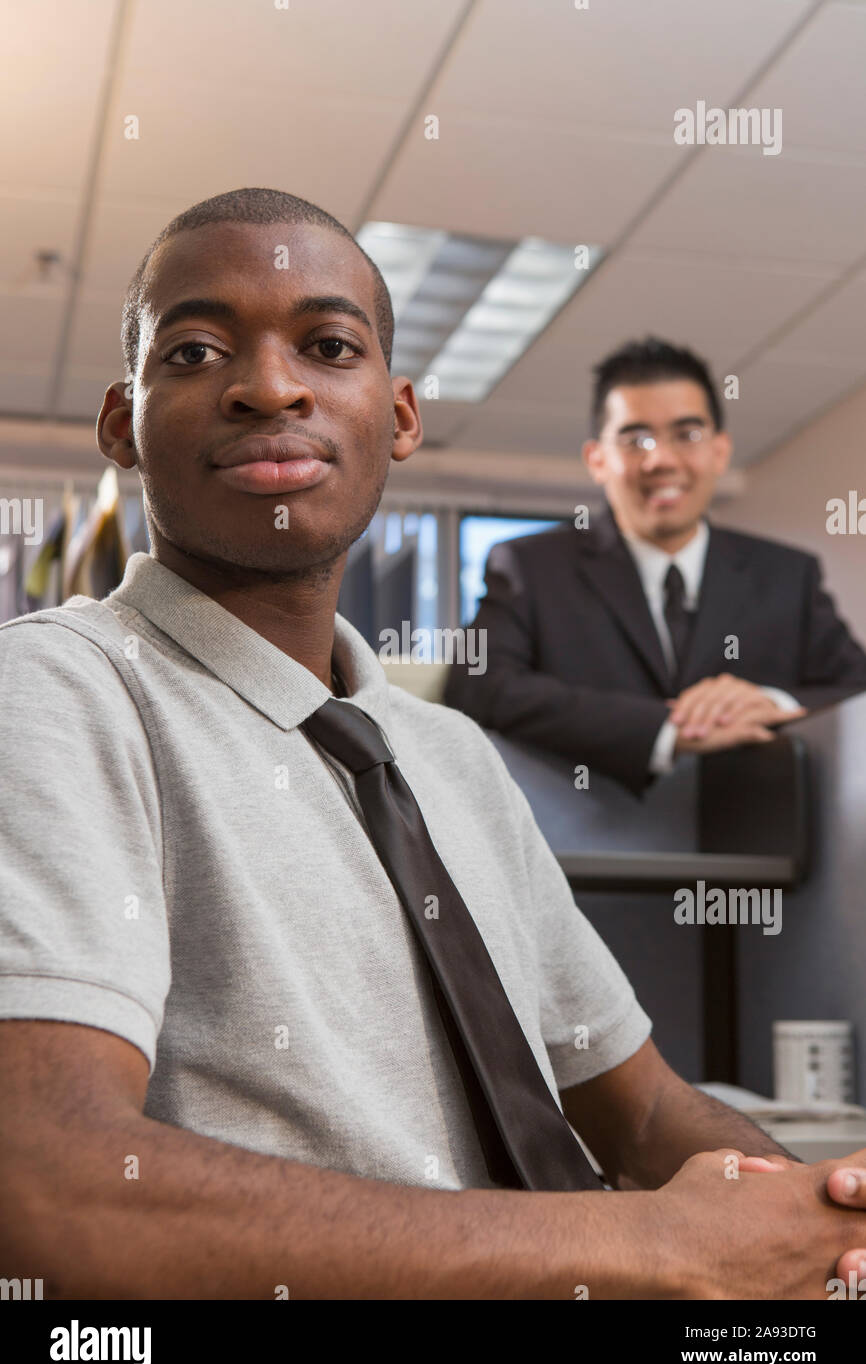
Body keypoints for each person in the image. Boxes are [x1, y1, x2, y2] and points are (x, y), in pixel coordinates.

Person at [1, 190, 865, 1301]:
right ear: (124, 423)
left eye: (326, 345)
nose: (269, 386)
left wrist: (830, 1220)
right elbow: (48, 1180)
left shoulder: (449, 754)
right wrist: (653, 1246)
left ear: (398, 416)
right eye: (197, 349)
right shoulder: (60, 691)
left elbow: (638, 1105)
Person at [444, 338, 866, 794]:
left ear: (720, 452)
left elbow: (856, 687)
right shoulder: (529, 567)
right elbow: (479, 686)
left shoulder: (788, 574)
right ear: (597, 460)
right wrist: (664, 728)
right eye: (635, 439)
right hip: (583, 843)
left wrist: (771, 702)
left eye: (687, 435)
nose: (661, 460)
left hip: (759, 845)